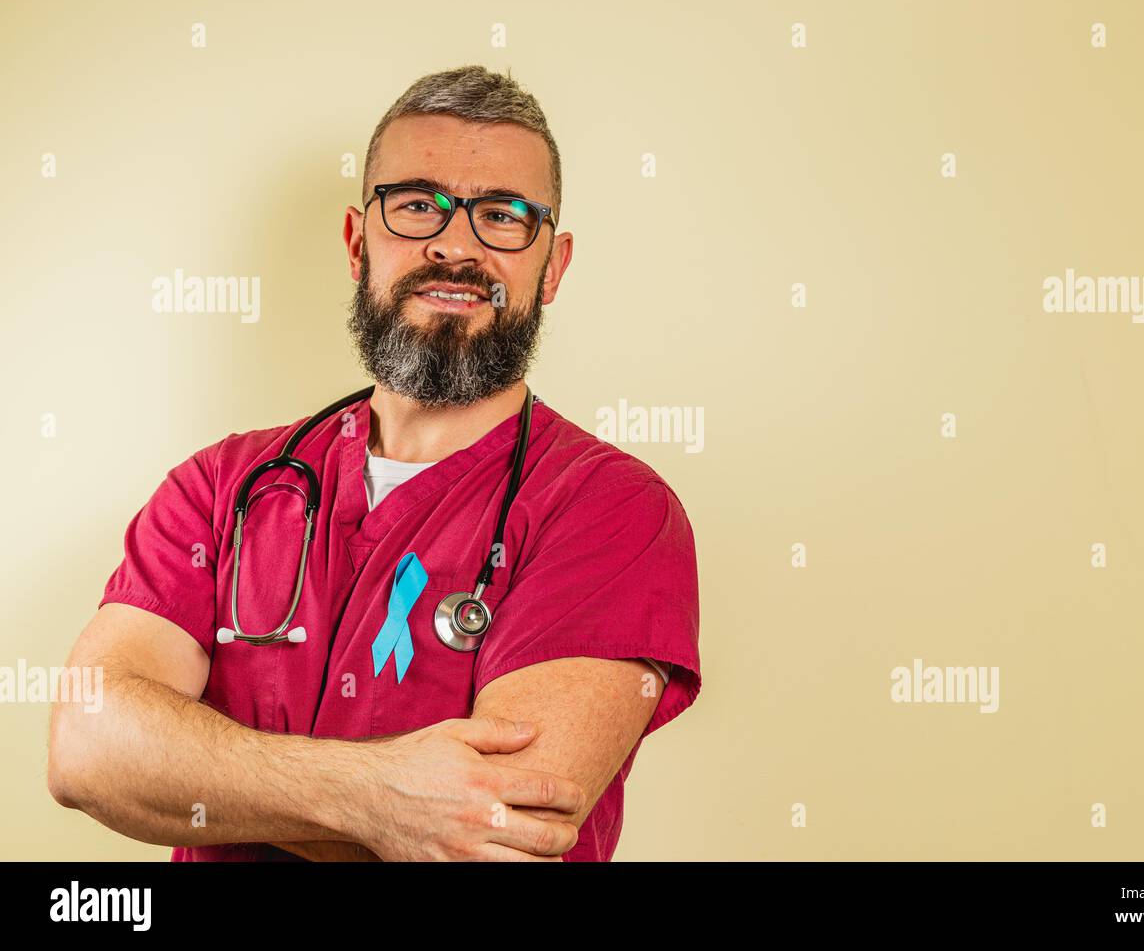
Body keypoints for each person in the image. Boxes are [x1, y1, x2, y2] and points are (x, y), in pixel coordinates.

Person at [46, 66, 701, 862]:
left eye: (502, 214)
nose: (455, 246)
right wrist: (383, 797)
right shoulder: (223, 487)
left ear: (552, 266)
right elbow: (86, 743)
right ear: (359, 241)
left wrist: (202, 766)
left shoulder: (612, 508)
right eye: (418, 204)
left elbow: (500, 831)